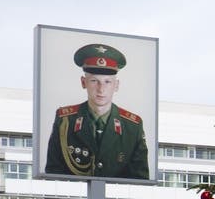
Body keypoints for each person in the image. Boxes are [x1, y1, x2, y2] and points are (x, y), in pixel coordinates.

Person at [45, 43, 149, 180]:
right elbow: (54, 175)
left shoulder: (132, 126)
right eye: (94, 81)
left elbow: (139, 180)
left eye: (107, 82)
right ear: (83, 82)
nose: (101, 89)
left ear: (116, 85)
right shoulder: (65, 120)